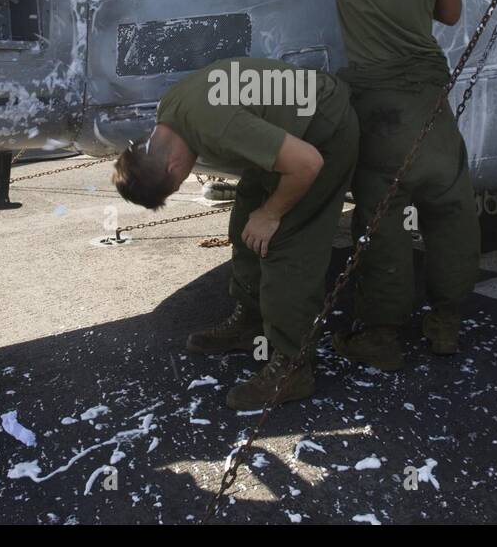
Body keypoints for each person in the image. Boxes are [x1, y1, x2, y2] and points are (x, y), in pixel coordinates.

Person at [214, 0, 482, 371]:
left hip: (380, 99)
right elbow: (450, 14)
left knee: (384, 215)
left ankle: (382, 336)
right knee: (450, 206)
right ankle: (446, 324)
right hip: (432, 94)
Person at [113, 57, 358, 409]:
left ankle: (293, 365)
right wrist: (259, 212)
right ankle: (252, 320)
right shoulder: (169, 114)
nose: (182, 182)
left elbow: (307, 164)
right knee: (246, 215)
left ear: (171, 166)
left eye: (174, 184)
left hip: (323, 129)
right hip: (291, 129)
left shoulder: (214, 125)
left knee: (286, 241)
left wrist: (272, 213)